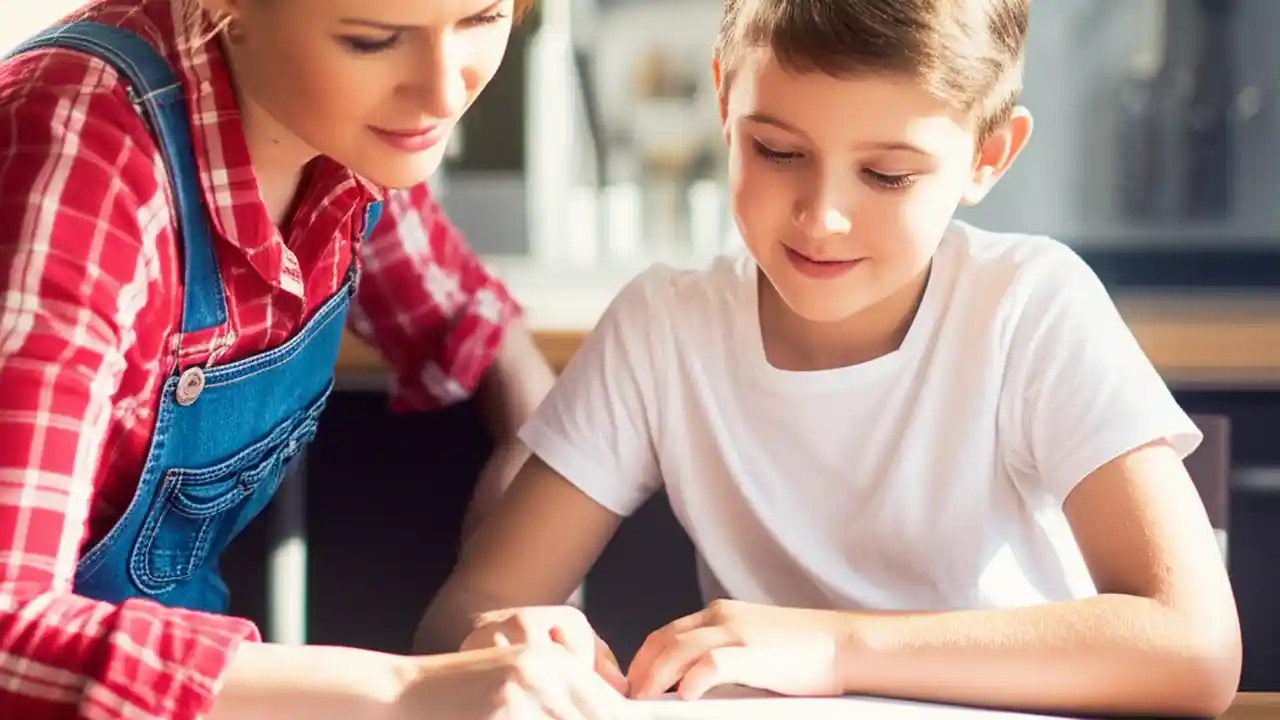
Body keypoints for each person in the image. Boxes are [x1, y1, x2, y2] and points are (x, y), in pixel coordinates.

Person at [416, 0, 1244, 716]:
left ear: (988, 156)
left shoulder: (1027, 307)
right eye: (777, 152)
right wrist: (507, 637)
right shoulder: (665, 328)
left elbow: (1195, 647)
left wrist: (833, 648)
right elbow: (468, 611)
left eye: (887, 175)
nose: (822, 218)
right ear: (722, 99)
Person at [0, 0, 635, 718]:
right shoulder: (79, 161)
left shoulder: (335, 122)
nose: (443, 93)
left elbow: (464, 314)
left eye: (481, 19)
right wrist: (407, 693)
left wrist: (529, 526)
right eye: (373, 40)